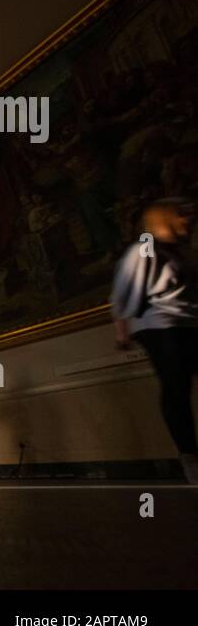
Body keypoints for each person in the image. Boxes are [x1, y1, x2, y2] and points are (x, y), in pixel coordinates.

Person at [111, 198, 198, 483]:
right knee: (176, 385)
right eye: (181, 216)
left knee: (178, 384)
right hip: (159, 325)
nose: (187, 221)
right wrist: (122, 330)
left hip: (188, 322)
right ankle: (189, 454)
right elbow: (123, 291)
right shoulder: (143, 249)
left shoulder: (181, 252)